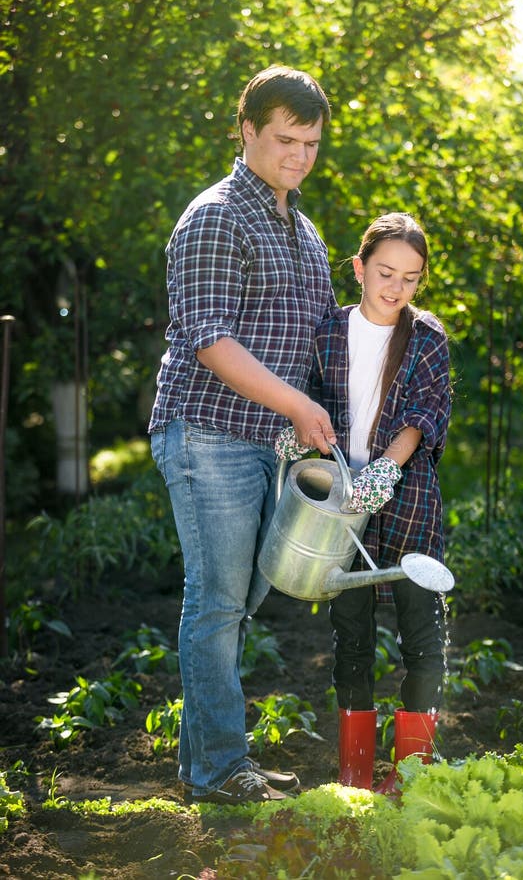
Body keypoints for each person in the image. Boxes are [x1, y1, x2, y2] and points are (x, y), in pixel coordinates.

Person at [148, 65, 337, 805]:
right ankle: (222, 768)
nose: (298, 156)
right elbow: (209, 341)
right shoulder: (216, 216)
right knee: (219, 601)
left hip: (272, 445)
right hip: (209, 434)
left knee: (239, 601)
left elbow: (317, 340)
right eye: (285, 139)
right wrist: (296, 406)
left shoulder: (303, 229)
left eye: (312, 143)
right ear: (247, 130)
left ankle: (213, 765)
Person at [276, 211, 452, 792]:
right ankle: (354, 777)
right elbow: (307, 401)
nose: (395, 287)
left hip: (406, 503)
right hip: (341, 512)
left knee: (421, 639)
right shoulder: (328, 331)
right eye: (384, 272)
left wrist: (385, 470)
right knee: (350, 638)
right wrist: (300, 438)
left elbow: (422, 417)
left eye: (410, 276)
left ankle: (412, 780)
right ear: (359, 268)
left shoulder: (427, 339)